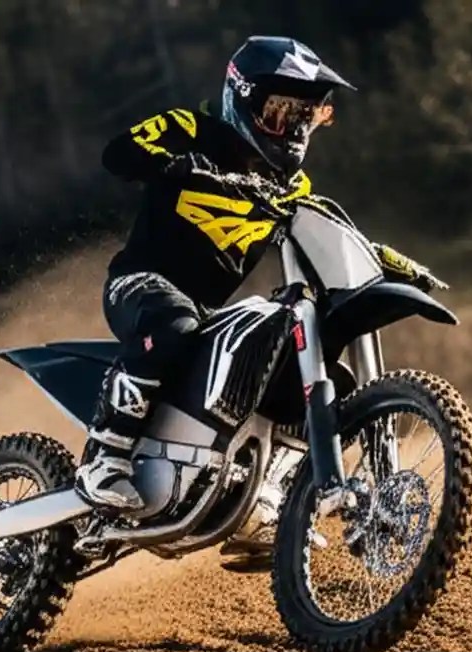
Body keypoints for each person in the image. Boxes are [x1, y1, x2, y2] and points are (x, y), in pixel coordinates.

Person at [76, 35, 444, 512]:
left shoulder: (292, 186)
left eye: (306, 117)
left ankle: (268, 488)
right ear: (242, 98)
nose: (293, 129)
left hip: (207, 316)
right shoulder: (191, 128)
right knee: (172, 324)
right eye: (281, 113)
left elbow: (326, 232)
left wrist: (391, 263)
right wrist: (172, 163)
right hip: (140, 284)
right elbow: (117, 154)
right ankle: (105, 456)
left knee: (297, 360)